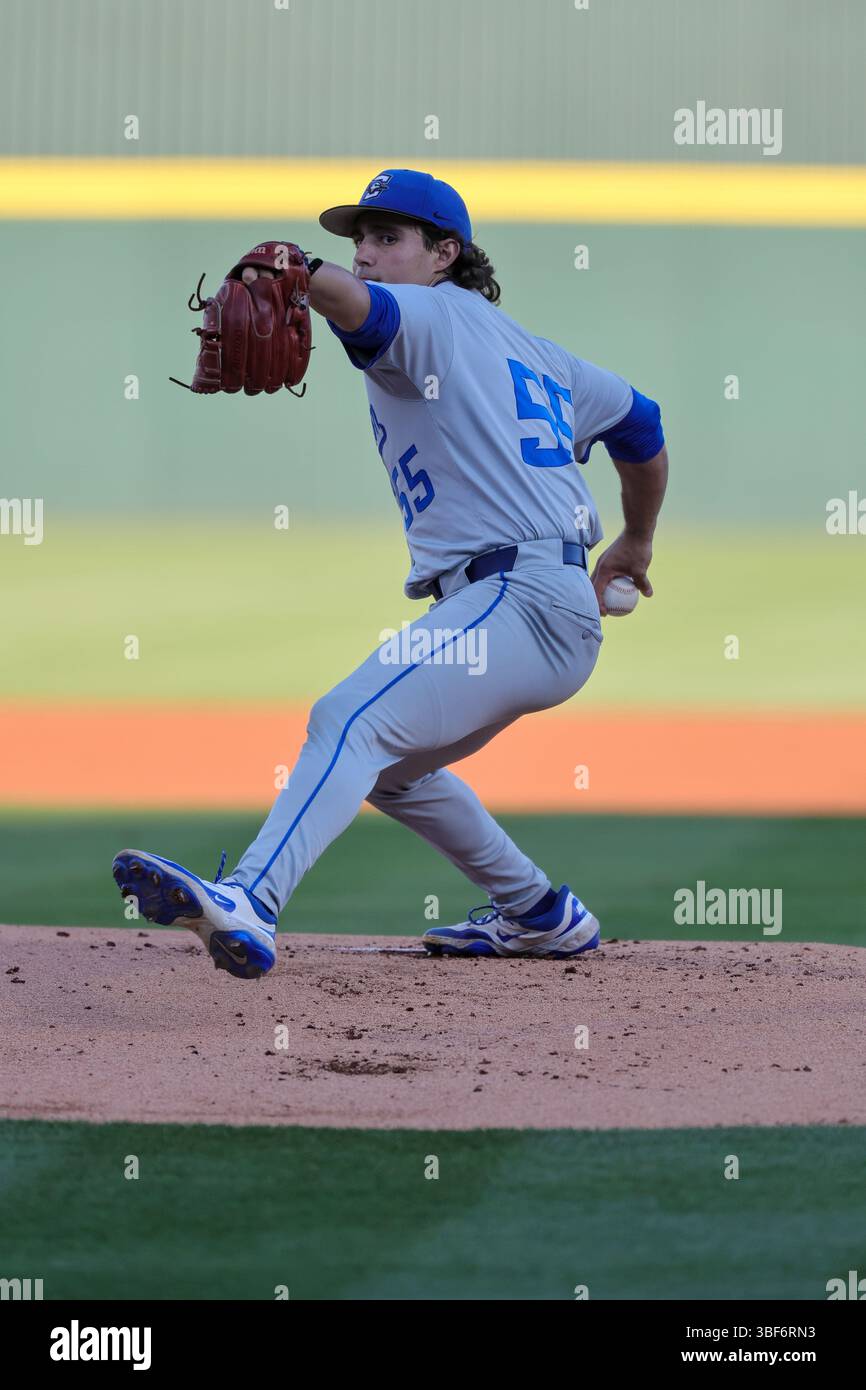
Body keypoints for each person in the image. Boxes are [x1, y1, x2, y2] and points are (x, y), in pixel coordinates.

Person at [112, 168, 668, 978]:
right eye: (358, 240)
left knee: (347, 721)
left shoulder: (430, 315)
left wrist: (297, 268)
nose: (367, 254)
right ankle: (539, 914)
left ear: (446, 254)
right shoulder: (537, 354)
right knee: (392, 770)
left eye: (388, 237)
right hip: (536, 606)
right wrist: (637, 544)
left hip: (517, 601)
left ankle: (250, 900)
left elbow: (357, 304)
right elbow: (642, 423)